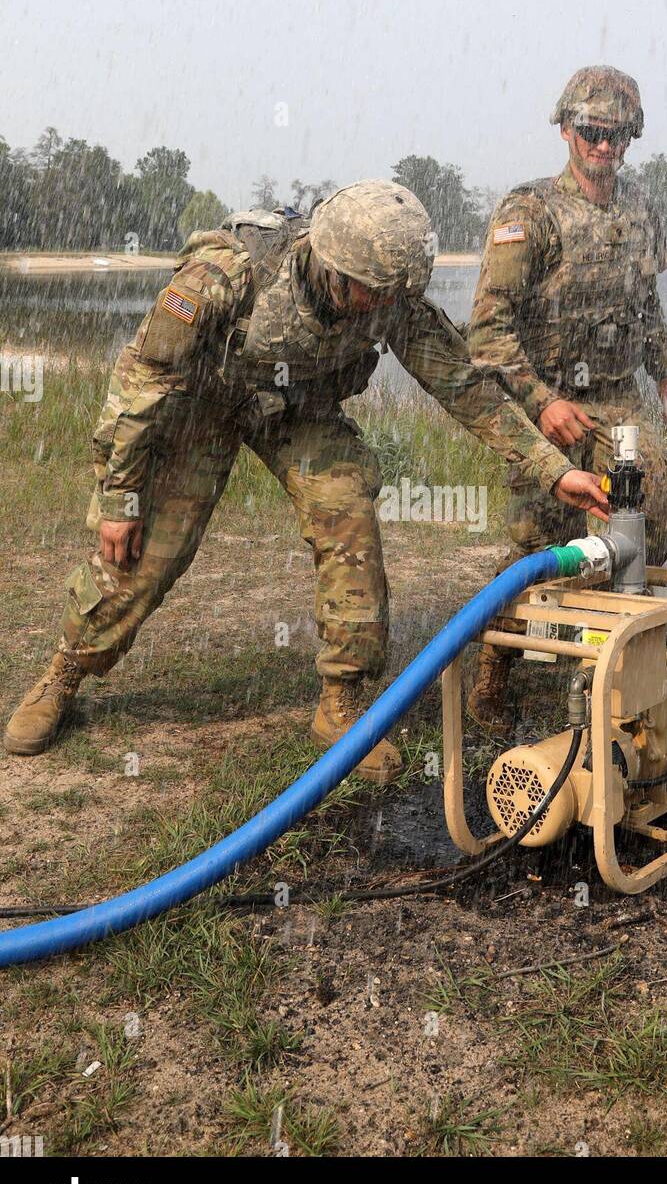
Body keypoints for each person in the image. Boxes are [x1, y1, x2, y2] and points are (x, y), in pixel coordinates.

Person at [4, 180, 608, 780]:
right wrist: (120, 496)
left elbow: (466, 388)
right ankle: (64, 672)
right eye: (370, 292)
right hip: (203, 404)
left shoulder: (388, 292)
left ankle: (340, 704)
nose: (381, 305)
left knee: (348, 515)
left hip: (297, 409)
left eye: (391, 294)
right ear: (334, 266)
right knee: (146, 550)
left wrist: (552, 470)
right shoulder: (224, 277)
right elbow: (143, 385)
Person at [466, 66, 667, 730]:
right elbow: (488, 330)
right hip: (547, 401)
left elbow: (648, 301)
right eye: (592, 131)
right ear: (567, 130)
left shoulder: (640, 209)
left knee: (662, 510)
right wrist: (539, 403)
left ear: (632, 137)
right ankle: (493, 673)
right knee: (538, 544)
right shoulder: (528, 212)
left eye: (618, 135)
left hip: (617, 400)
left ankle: (596, 656)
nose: (604, 146)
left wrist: (666, 373)